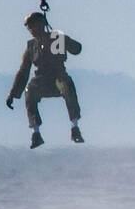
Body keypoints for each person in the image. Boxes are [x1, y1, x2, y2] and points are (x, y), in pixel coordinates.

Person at [6, 11, 85, 147]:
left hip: (58, 76)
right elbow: (23, 71)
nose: (31, 30)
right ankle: (35, 133)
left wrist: (64, 40)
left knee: (66, 86)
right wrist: (13, 94)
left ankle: (75, 128)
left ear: (41, 25)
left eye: (33, 26)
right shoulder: (31, 47)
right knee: (29, 91)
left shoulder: (57, 38)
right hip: (41, 80)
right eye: (29, 28)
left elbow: (77, 49)